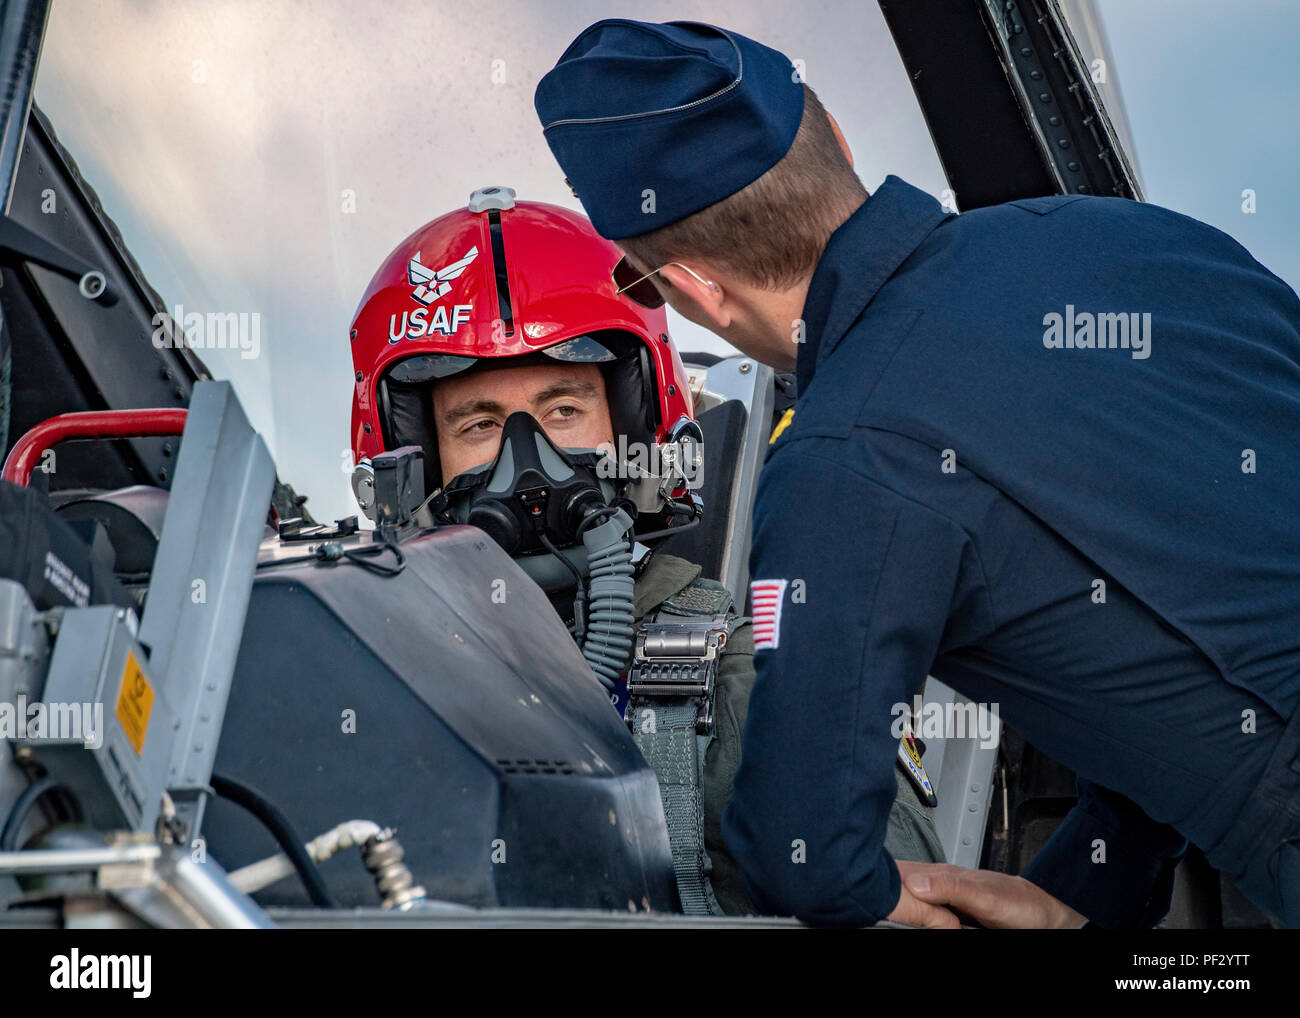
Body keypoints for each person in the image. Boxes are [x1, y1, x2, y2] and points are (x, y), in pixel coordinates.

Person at [532, 19, 1300, 929]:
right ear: (841, 146)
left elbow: (802, 856)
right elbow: (1159, 662)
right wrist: (1069, 908)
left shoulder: (845, 461)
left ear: (696, 291)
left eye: (643, 282)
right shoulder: (1139, 237)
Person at [345, 187, 945, 916]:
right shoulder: (360, 670)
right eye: (478, 423)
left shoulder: (756, 672)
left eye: (565, 410)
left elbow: (904, 902)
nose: (529, 465)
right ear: (418, 464)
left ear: (633, 424)